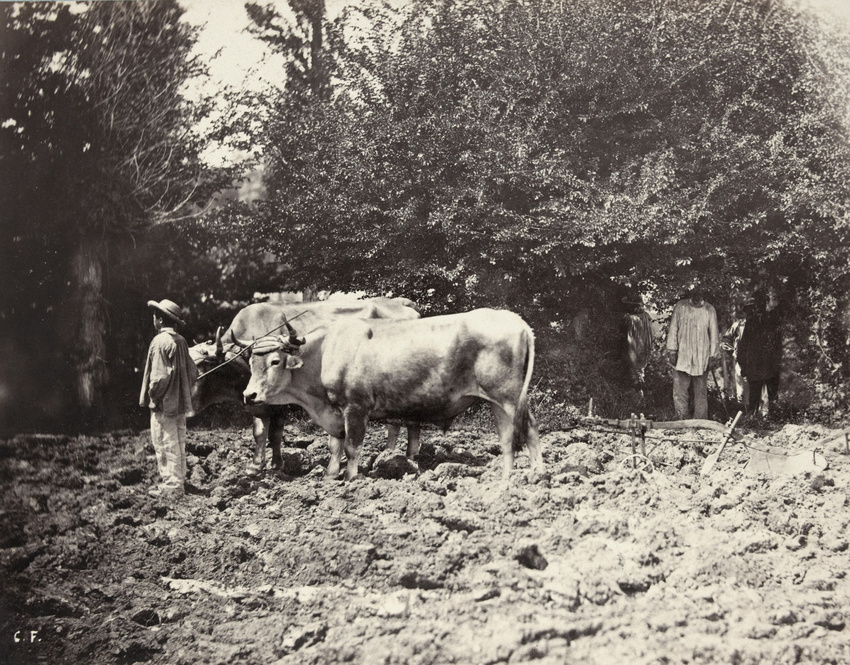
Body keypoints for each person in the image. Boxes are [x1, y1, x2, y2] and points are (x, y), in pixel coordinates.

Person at [139, 298, 198, 499]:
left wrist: (152, 395)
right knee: (178, 441)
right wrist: (182, 389)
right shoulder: (181, 341)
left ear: (161, 320)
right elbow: (193, 371)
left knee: (164, 443)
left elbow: (159, 377)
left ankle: (172, 486)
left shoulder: (159, 341)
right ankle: (179, 481)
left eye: (155, 316)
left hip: (164, 404)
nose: (153, 320)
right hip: (180, 403)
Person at [665, 286, 720, 420]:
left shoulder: (709, 309)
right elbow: (673, 329)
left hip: (702, 356)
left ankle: (700, 421)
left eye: (699, 292)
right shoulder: (681, 306)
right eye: (694, 292)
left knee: (700, 391)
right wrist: (672, 350)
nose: (696, 295)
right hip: (682, 356)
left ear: (703, 293)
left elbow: (714, 335)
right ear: (690, 292)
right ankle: (682, 418)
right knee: (680, 390)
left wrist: (713, 356)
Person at [736, 287, 782, 418]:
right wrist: (743, 366)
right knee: (757, 396)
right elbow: (743, 346)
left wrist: (743, 365)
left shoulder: (774, 320)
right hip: (759, 365)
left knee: (766, 396)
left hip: (766, 365)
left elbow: (778, 346)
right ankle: (755, 419)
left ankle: (765, 419)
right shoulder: (755, 321)